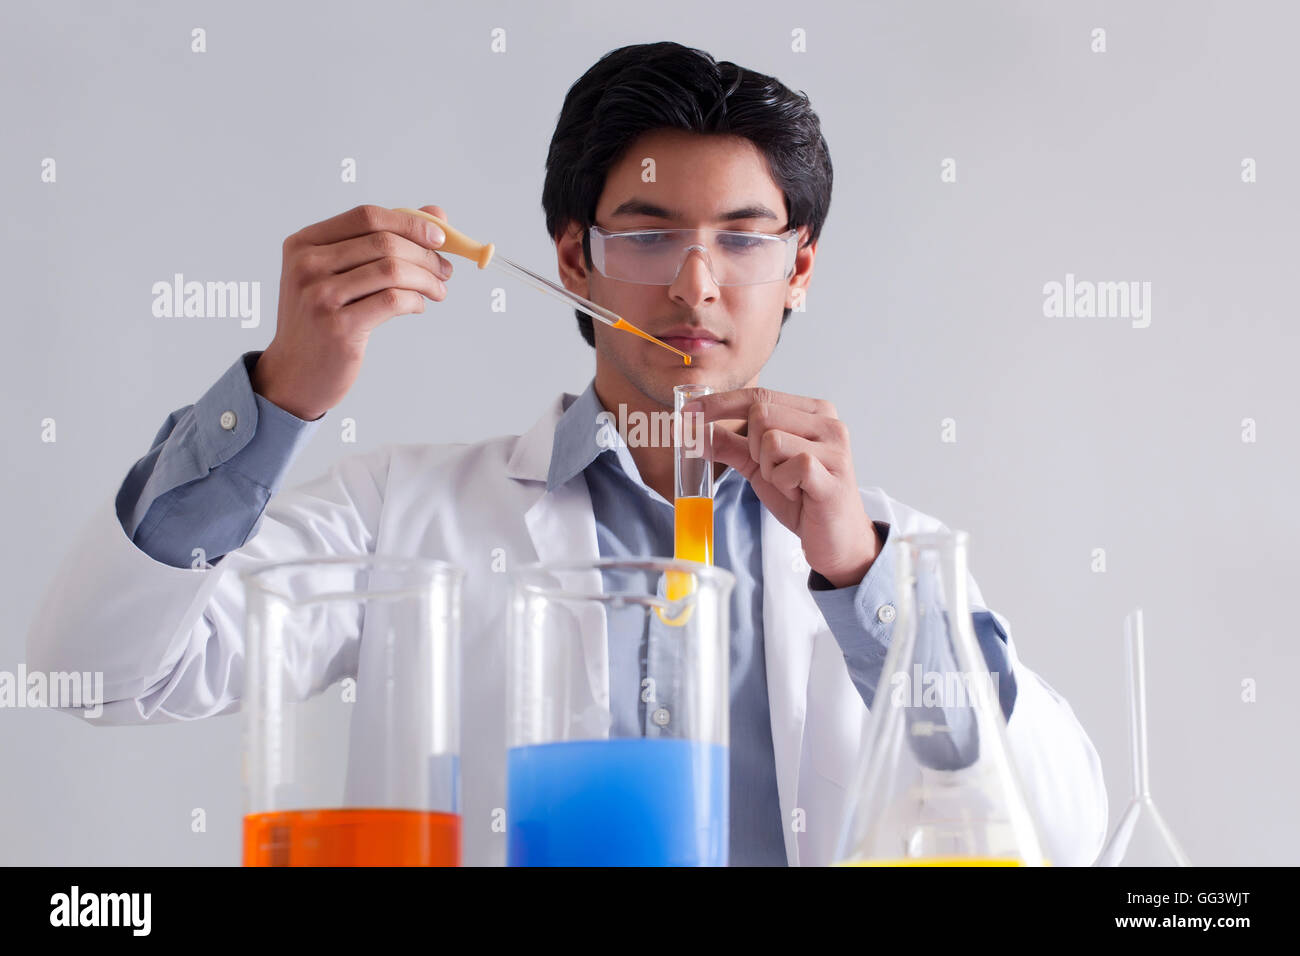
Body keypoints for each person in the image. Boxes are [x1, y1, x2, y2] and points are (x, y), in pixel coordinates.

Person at [26, 41, 1106, 866]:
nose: (694, 285)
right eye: (646, 235)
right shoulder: (400, 513)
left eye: (742, 237)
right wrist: (279, 393)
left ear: (800, 267)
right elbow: (106, 672)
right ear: (573, 261)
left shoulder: (884, 555)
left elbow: (1062, 827)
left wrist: (859, 573)